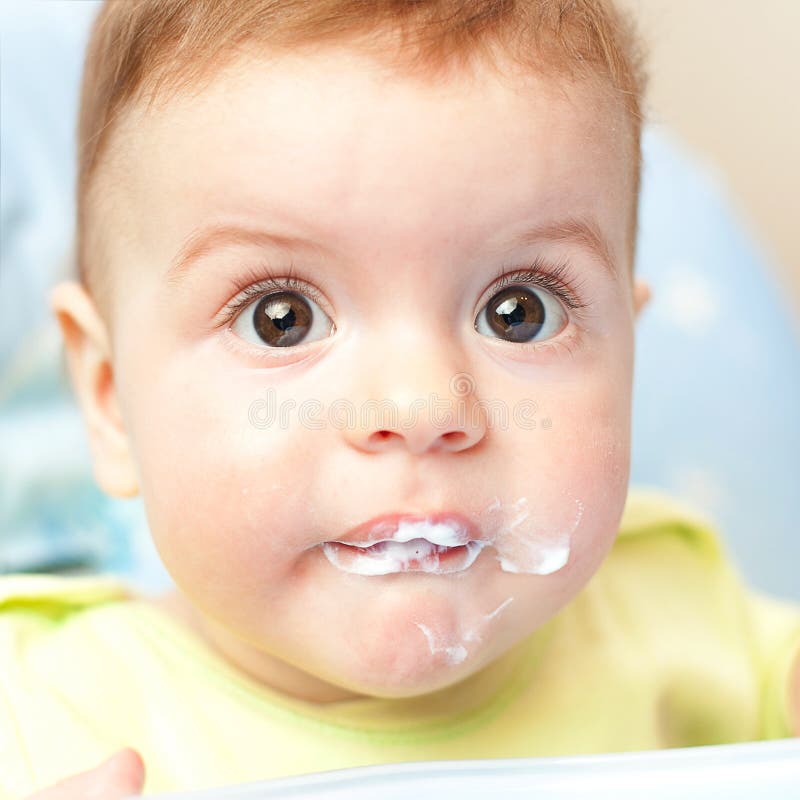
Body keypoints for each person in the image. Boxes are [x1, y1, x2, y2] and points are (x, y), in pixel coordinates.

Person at [3, 0, 798, 797]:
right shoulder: (35, 719)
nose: (422, 410)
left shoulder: (684, 616)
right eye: (283, 320)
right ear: (110, 399)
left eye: (518, 312)